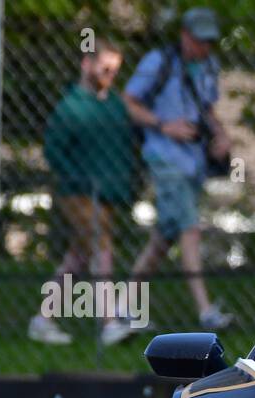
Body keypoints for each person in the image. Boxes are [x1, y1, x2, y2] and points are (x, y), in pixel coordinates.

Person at [122, 7, 232, 330]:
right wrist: (163, 125)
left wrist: (222, 135)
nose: (204, 48)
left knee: (162, 239)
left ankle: (123, 307)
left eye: (209, 42)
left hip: (194, 162)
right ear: (185, 35)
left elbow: (208, 108)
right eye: (200, 41)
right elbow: (129, 101)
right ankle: (206, 311)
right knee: (190, 229)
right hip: (165, 157)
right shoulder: (159, 61)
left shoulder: (209, 65)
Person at [29, 37, 136, 345]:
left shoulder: (115, 104)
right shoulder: (70, 108)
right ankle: (109, 324)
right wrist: (78, 179)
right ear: (86, 64)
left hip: (105, 196)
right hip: (78, 194)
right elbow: (53, 152)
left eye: (115, 70)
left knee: (77, 257)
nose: (110, 75)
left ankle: (42, 319)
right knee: (102, 249)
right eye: (105, 68)